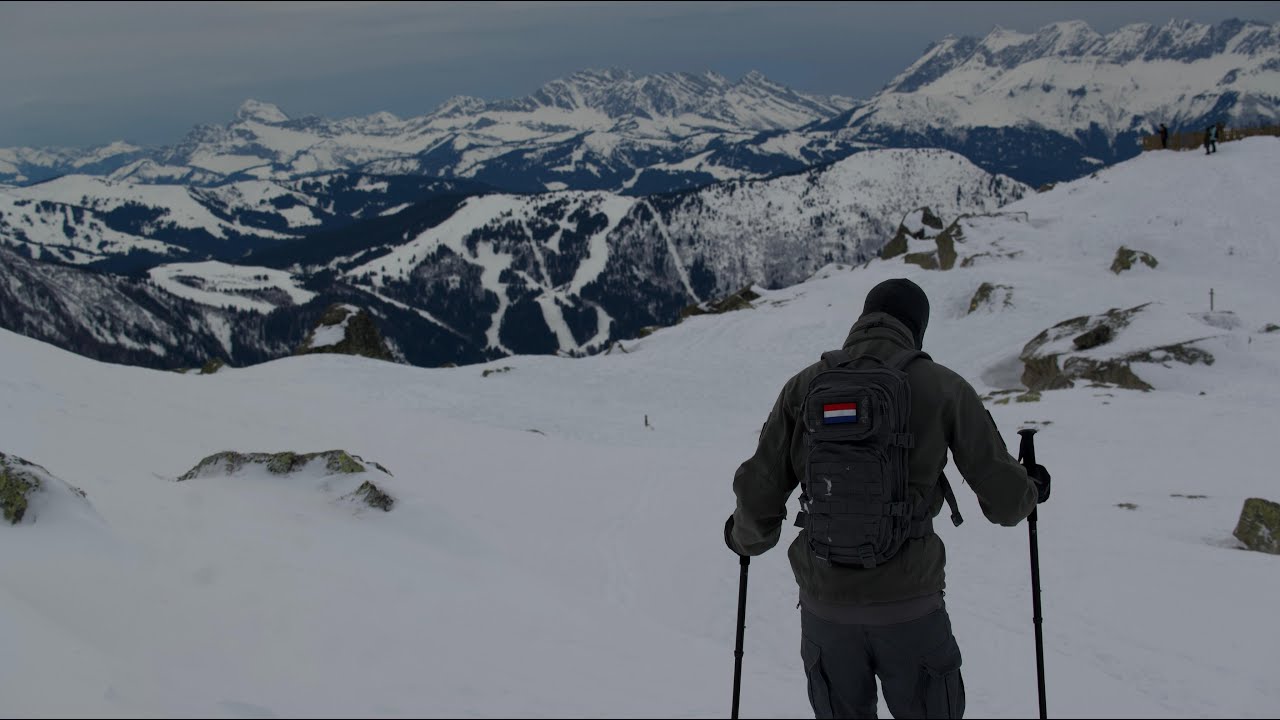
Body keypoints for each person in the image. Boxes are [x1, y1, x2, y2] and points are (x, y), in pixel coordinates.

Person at [724, 278, 1050, 719]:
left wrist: (743, 538)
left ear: (863, 319)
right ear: (917, 328)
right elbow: (1008, 504)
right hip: (911, 609)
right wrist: (1032, 489)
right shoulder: (943, 387)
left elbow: (759, 493)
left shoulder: (803, 387)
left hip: (825, 611)